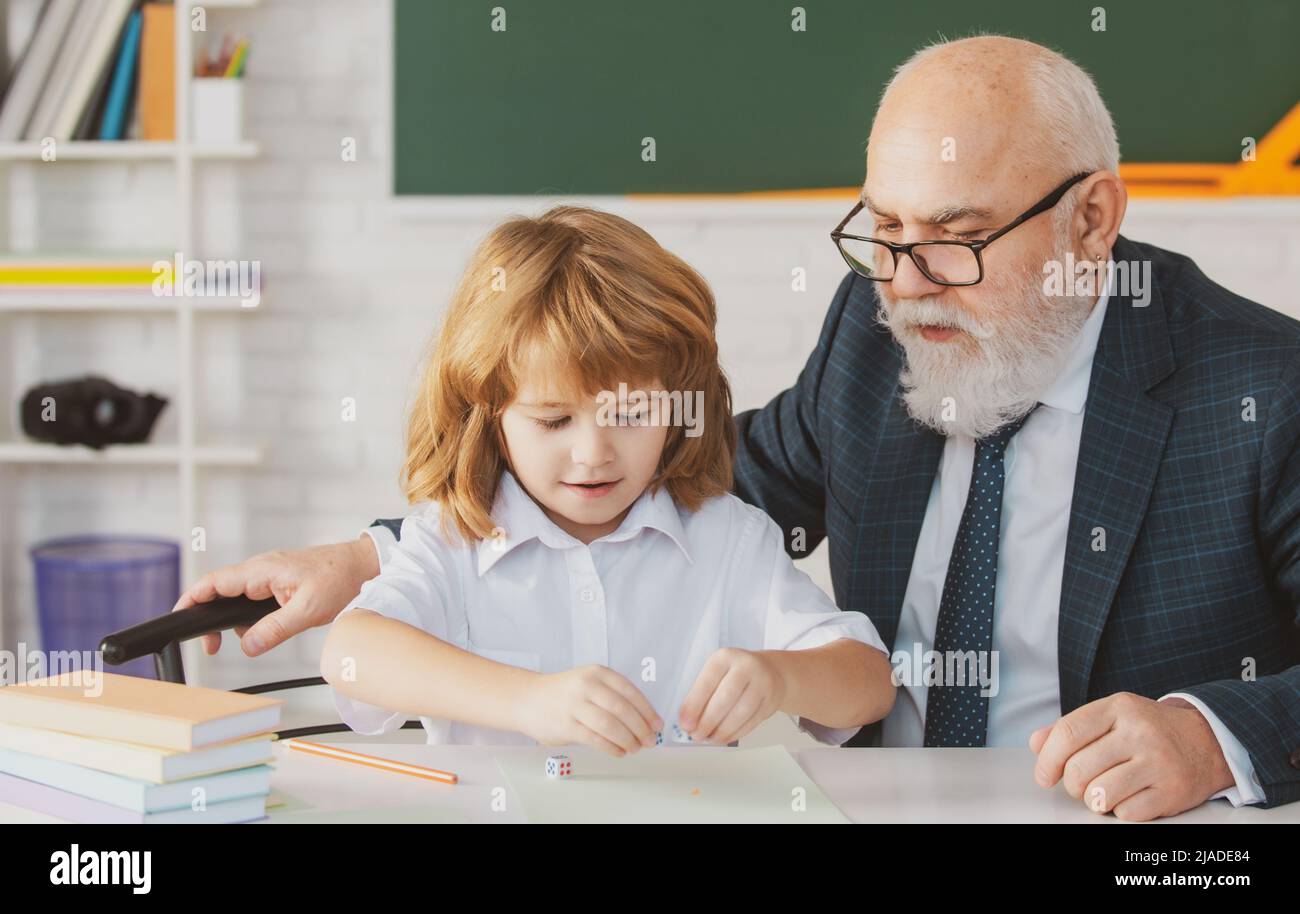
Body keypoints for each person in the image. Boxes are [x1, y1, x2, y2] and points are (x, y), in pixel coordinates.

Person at [176, 36, 1300, 818]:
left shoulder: (1259, 386)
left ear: (1090, 216)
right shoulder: (877, 325)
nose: (905, 287)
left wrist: (1216, 736)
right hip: (880, 809)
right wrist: (368, 551)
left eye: (951, 239)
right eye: (883, 231)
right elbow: (693, 478)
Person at [316, 205, 896, 753]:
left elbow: (869, 683)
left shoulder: (727, 539)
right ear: (488, 416)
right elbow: (353, 652)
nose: (594, 453)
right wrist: (527, 700)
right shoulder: (452, 540)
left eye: (632, 414)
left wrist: (781, 676)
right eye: (554, 419)